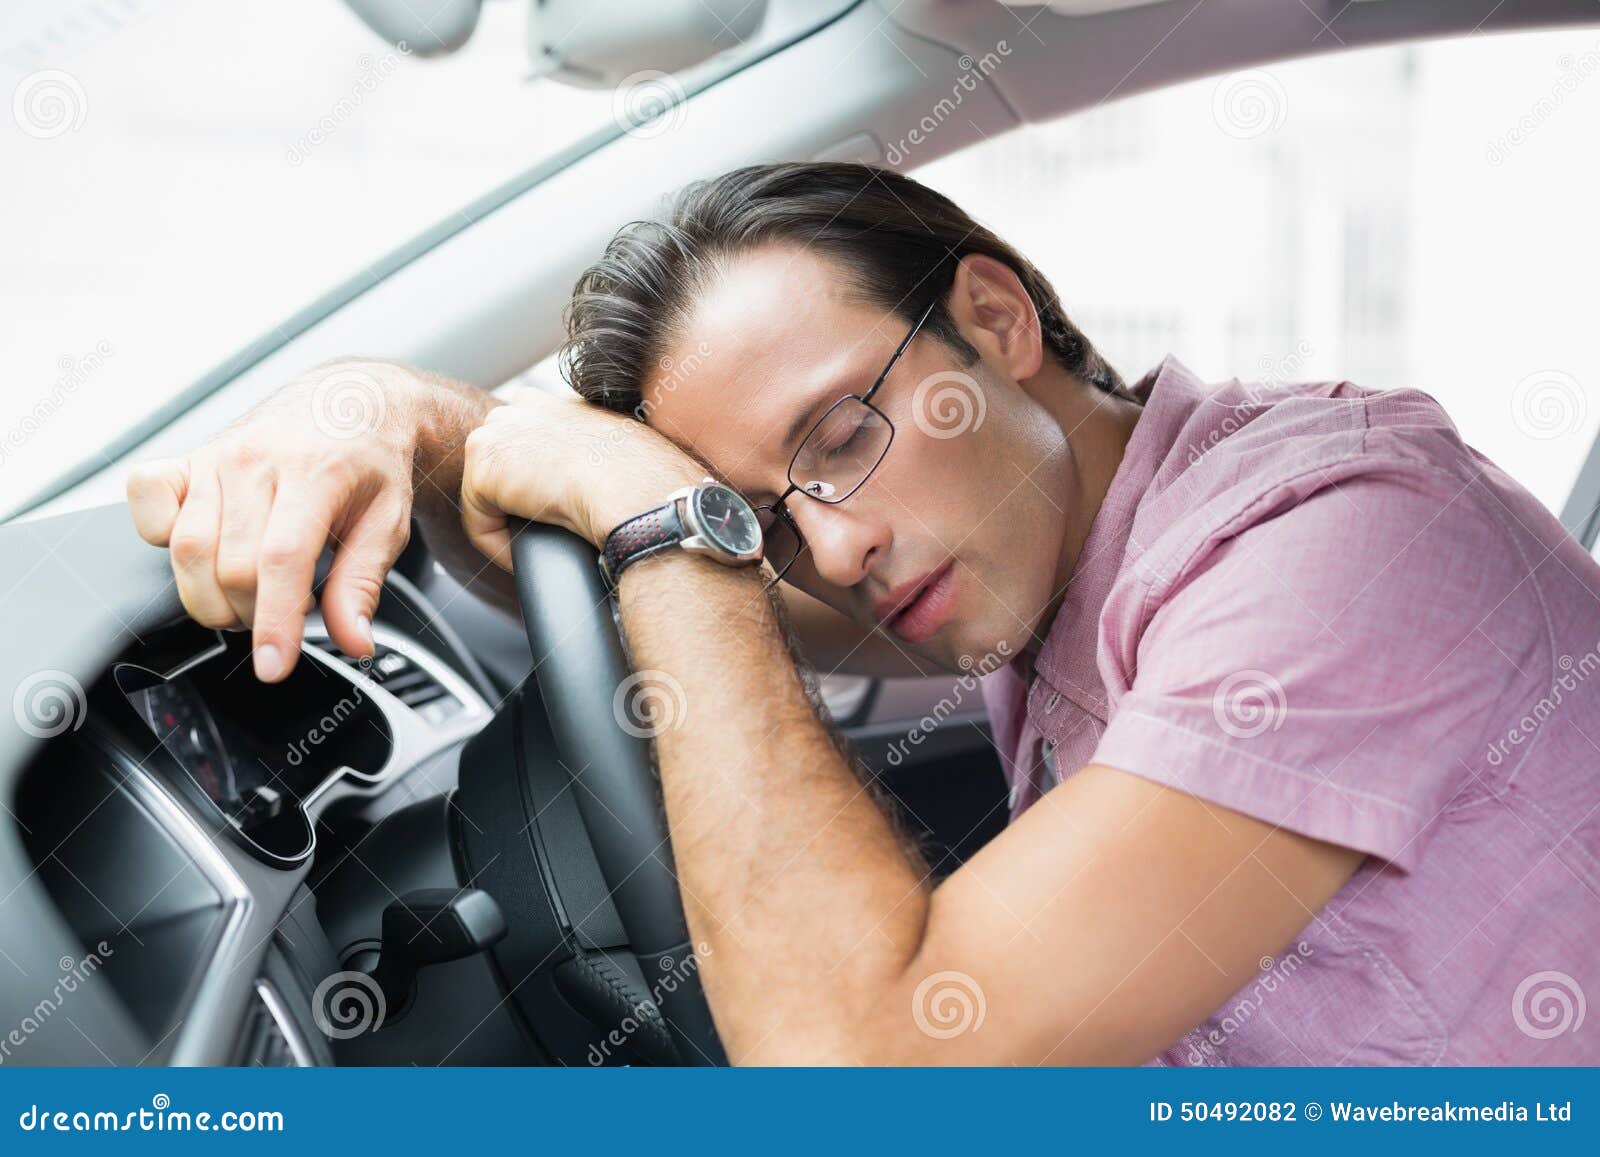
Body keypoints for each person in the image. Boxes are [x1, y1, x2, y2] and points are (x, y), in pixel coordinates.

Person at [126, 162, 1600, 1065]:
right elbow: (545, 538)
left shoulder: (1335, 546)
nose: (827, 549)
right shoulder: (1028, 554)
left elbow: (865, 1067)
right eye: (761, 515)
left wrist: (674, 530)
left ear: (998, 320)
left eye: (839, 433)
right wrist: (367, 406)